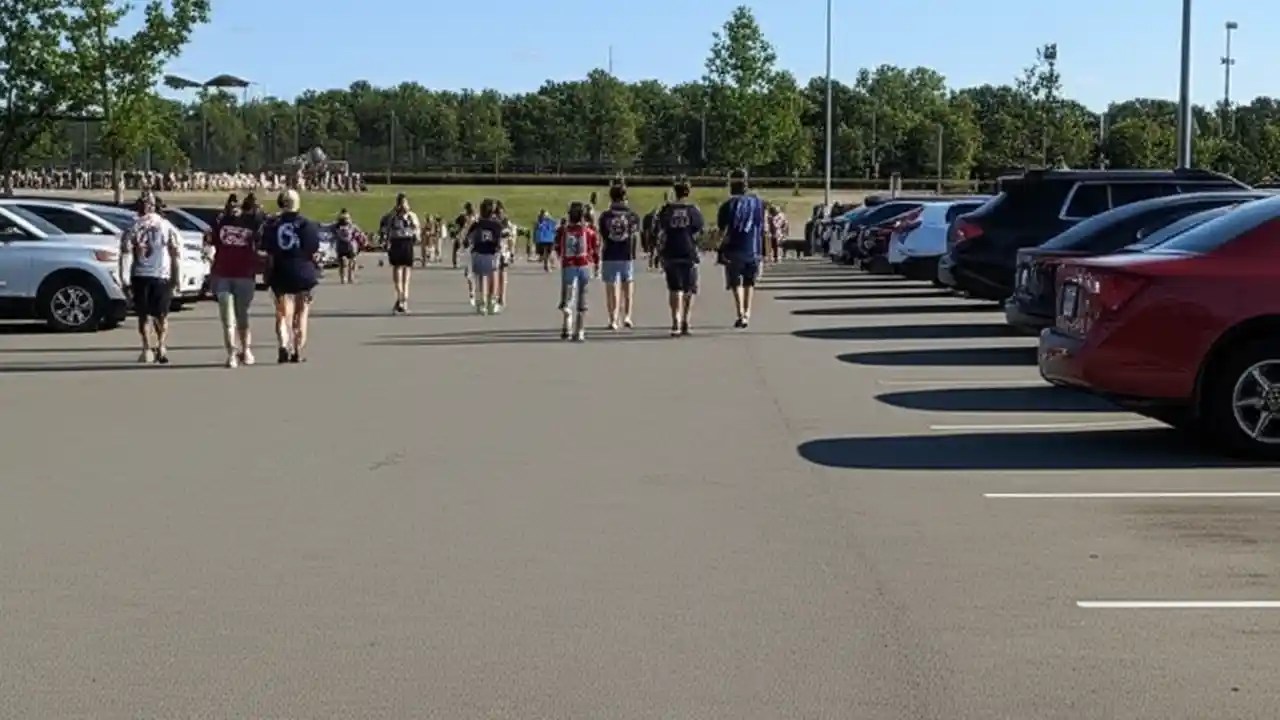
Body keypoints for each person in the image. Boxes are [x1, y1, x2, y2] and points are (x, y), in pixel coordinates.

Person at [119, 194, 182, 363]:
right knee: (156, 315)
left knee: (149, 315)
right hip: (152, 275)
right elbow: (175, 253)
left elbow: (125, 253)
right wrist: (177, 278)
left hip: (149, 275)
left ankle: (152, 347)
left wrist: (123, 278)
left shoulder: (138, 226)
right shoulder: (160, 226)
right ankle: (155, 346)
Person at [261, 189, 322, 363]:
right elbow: (313, 248)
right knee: (301, 313)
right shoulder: (306, 225)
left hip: (280, 272)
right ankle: (297, 349)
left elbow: (267, 249)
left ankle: (283, 345)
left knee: (282, 313)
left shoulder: (272, 225)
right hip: (303, 272)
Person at [206, 195, 261, 367]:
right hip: (223, 274)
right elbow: (209, 241)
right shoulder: (220, 223)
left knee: (242, 315)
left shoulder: (251, 223)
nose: (234, 209)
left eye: (237, 206)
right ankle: (231, 353)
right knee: (227, 317)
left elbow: (261, 235)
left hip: (244, 274)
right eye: (230, 205)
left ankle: (246, 349)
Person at [717, 169, 765, 329]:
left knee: (735, 282)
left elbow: (722, 230)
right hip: (753, 247)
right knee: (749, 282)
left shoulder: (728, 206)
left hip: (734, 248)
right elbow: (761, 227)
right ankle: (747, 312)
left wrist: (718, 246)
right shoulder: (757, 203)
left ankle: (740, 313)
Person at [656, 178, 704, 337]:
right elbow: (698, 231)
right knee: (689, 288)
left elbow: (660, 230)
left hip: (671, 250)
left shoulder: (666, 210)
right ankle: (686, 320)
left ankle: (675, 319)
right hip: (689, 251)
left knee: (675, 288)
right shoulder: (693, 211)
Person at [597, 183, 641, 330]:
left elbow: (603, 234)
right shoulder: (632, 216)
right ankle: (627, 316)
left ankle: (613, 318)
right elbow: (634, 233)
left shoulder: (605, 216)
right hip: (626, 252)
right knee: (627, 285)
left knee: (611, 287)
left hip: (610, 252)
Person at [554, 201, 599, 341]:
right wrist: (596, 263)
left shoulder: (563, 230)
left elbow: (557, 246)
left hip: (568, 265)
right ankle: (579, 330)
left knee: (567, 293)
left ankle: (567, 322)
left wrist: (560, 255)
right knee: (582, 295)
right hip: (584, 264)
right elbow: (595, 248)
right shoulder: (589, 231)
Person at [379, 192, 421, 313]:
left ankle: (402, 297)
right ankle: (402, 296)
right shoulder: (392, 216)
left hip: (405, 242)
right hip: (397, 242)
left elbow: (416, 230)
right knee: (399, 270)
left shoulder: (410, 216)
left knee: (405, 271)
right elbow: (385, 228)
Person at [465, 198, 504, 315]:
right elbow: (499, 240)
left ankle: (482, 302)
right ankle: (491, 301)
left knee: (481, 278)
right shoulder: (497, 225)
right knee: (493, 275)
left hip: (478, 252)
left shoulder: (477, 224)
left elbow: (468, 237)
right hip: (491, 253)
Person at [332, 208, 367, 284]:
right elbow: (359, 234)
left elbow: (360, 233)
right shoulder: (347, 225)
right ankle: (347, 277)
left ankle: (346, 277)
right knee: (348, 262)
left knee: (346, 263)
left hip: (345, 246)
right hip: (346, 246)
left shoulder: (339, 226)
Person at [452, 202, 477, 304]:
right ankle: (474, 291)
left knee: (470, 272)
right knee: (471, 272)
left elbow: (462, 232)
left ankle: (473, 291)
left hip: (470, 246)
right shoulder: (472, 218)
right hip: (470, 246)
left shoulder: (472, 219)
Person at [494, 200, 512, 312]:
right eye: (498, 212)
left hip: (503, 251)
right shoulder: (493, 221)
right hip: (495, 250)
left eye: (501, 212)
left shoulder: (506, 221)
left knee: (503, 274)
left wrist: (511, 250)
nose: (500, 214)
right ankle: (496, 296)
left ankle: (502, 296)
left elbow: (510, 236)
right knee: (495, 273)